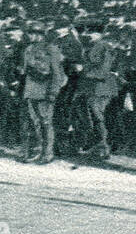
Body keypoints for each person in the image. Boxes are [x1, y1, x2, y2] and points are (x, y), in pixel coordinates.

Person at [18, 24, 66, 164]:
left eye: (34, 33)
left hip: (45, 90)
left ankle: (47, 153)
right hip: (30, 90)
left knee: (45, 122)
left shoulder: (50, 48)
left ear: (41, 34)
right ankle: (35, 150)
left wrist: (53, 92)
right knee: (33, 122)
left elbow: (57, 73)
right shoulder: (28, 48)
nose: (31, 35)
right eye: (30, 33)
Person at [74, 21, 118, 160]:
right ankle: (95, 143)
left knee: (97, 115)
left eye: (92, 32)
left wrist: (85, 71)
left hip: (102, 87)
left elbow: (104, 69)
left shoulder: (106, 47)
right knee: (89, 115)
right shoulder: (90, 46)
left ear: (100, 34)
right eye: (88, 32)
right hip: (89, 87)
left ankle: (103, 147)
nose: (89, 35)